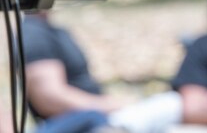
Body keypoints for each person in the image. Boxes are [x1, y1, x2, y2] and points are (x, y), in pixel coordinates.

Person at [22, 11, 182, 133]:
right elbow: (50, 99)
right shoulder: (33, 32)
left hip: (91, 116)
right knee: (170, 105)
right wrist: (108, 105)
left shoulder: (48, 29)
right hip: (75, 121)